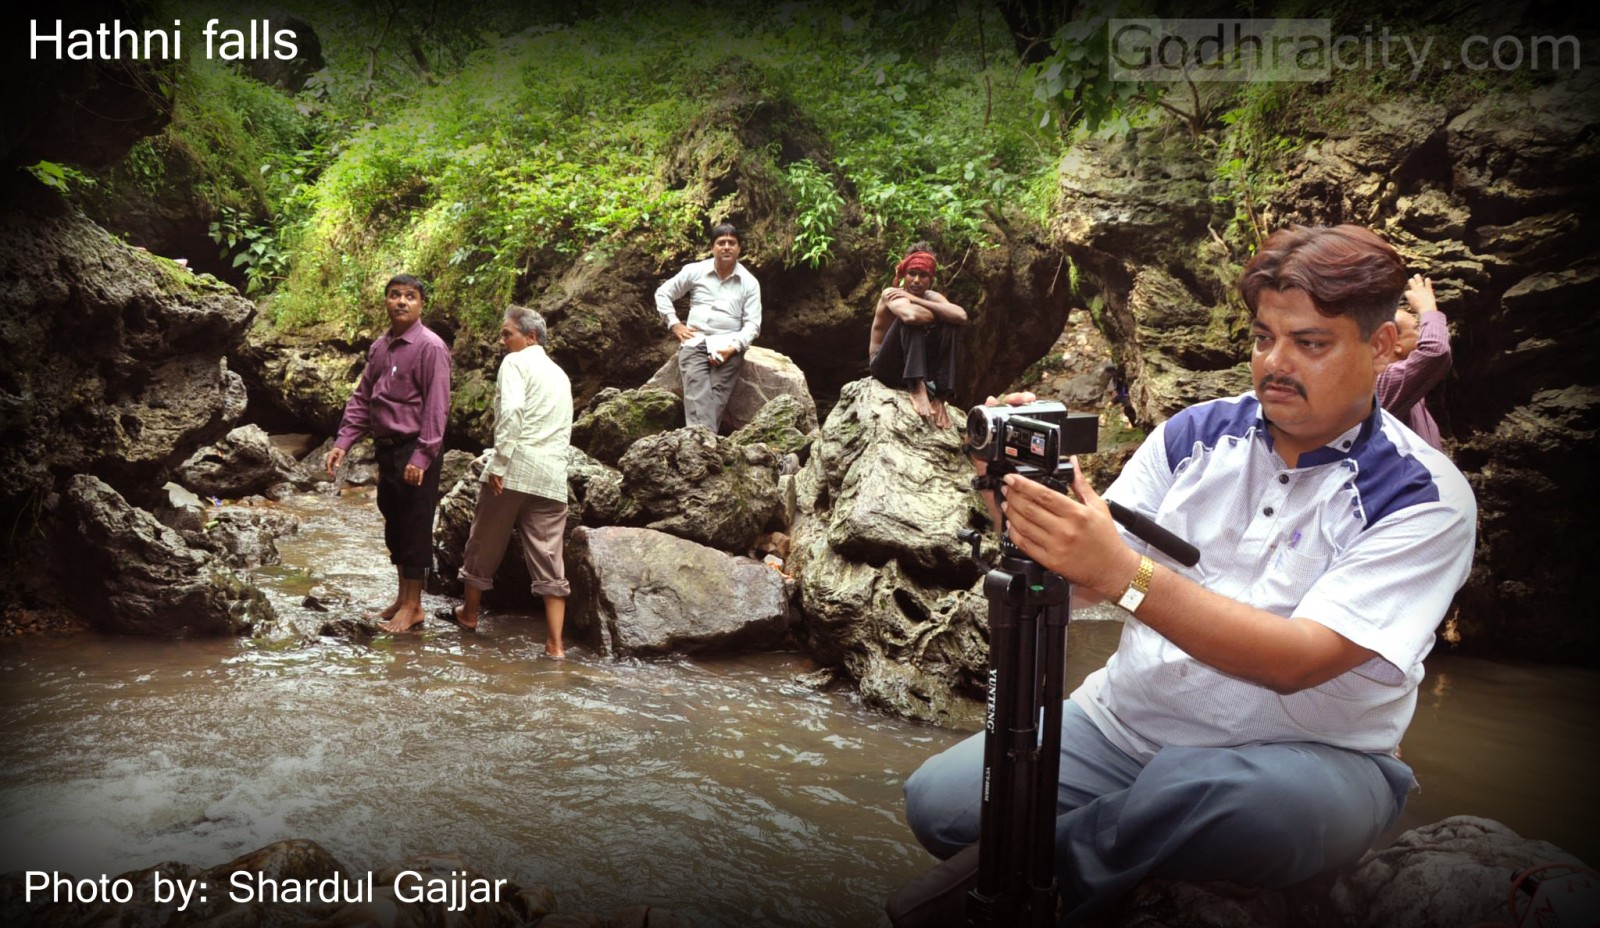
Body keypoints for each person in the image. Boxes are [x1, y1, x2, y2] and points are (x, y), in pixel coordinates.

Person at [902, 225, 1477, 924]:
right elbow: (1084, 580)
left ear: (1384, 345)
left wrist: (1125, 572)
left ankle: (1009, 892)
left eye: (1310, 343)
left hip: (1309, 760)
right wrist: (1020, 501)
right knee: (942, 803)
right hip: (1126, 728)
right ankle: (1133, 835)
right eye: (1264, 337)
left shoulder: (1424, 496)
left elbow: (1298, 661)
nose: (1275, 362)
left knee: (1252, 811)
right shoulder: (1196, 434)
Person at [438, 306, 573, 658]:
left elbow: (512, 413)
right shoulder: (561, 374)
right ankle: (556, 645)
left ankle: (469, 615)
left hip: (514, 469)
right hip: (552, 475)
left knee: (484, 541)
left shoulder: (516, 363)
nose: (501, 342)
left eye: (506, 334)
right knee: (549, 556)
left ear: (530, 337)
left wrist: (498, 463)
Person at [324, 274, 452, 634]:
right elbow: (364, 397)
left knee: (414, 527)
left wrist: (422, 457)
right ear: (385, 301)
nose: (401, 302)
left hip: (415, 446)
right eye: (395, 295)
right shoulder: (381, 347)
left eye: (410, 296)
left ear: (421, 304)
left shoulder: (431, 347)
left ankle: (413, 607)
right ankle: (402, 598)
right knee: (395, 526)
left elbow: (438, 408)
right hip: (387, 448)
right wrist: (343, 441)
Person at [654, 223, 762, 432]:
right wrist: (674, 323)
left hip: (729, 345)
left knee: (717, 392)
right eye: (721, 243)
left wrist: (734, 347)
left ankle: (699, 443)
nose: (727, 247)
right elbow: (663, 293)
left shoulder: (749, 282)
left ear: (739, 249)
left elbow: (753, 324)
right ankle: (707, 446)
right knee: (696, 388)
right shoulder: (695, 271)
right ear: (712, 248)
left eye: (732, 243)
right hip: (695, 340)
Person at [868, 244, 967, 428]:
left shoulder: (930, 296)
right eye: (911, 273)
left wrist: (916, 300)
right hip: (886, 367)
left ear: (931, 279)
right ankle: (916, 387)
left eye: (923, 275)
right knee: (912, 321)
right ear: (903, 273)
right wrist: (938, 313)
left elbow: (960, 316)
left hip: (914, 363)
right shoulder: (891, 294)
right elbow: (911, 316)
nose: (916, 280)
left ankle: (940, 397)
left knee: (951, 326)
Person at [1376, 273, 1452, 450]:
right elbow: (1436, 351)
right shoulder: (1383, 382)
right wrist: (1427, 308)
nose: (1422, 333)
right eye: (1417, 328)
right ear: (1393, 343)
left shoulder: (1407, 391)